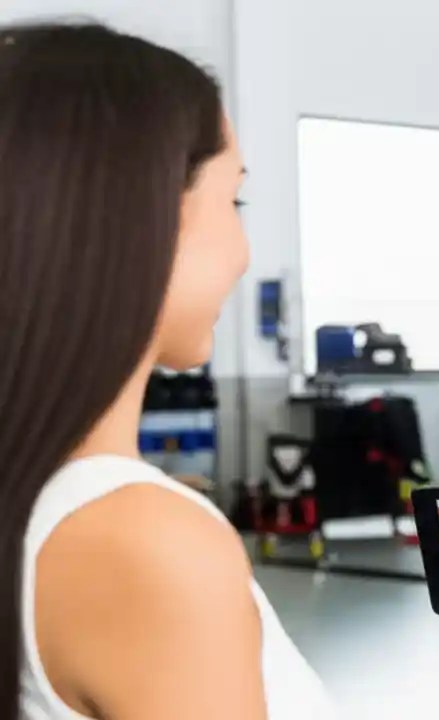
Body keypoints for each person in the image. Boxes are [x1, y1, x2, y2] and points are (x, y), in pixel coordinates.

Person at [0, 23, 333, 719]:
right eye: (233, 200)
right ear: (143, 215)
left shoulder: (44, 501)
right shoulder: (149, 543)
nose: (244, 252)